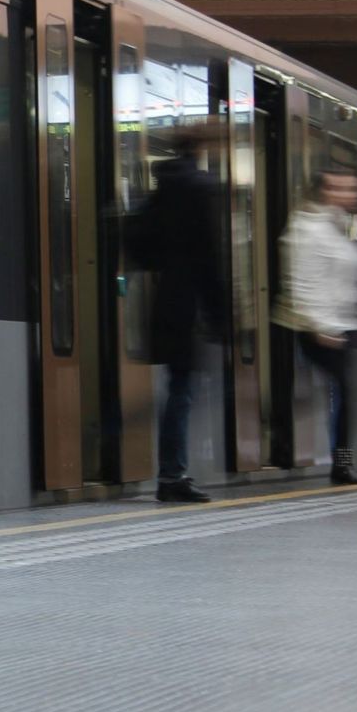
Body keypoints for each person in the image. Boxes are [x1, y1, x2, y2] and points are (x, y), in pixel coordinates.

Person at [130, 122, 226, 504]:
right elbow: (209, 255)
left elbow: (143, 246)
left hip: (165, 298)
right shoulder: (201, 188)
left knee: (179, 389)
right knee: (182, 392)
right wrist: (219, 313)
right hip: (187, 304)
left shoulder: (162, 189)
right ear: (203, 146)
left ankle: (172, 470)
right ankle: (172, 474)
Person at [282, 169, 357, 486]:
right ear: (323, 192)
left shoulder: (336, 226)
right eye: (341, 188)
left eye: (353, 188)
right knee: (347, 391)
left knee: (349, 393)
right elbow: (304, 281)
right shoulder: (308, 228)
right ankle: (341, 463)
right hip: (320, 327)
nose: (350, 194)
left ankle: (342, 462)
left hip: (344, 325)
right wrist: (320, 325)